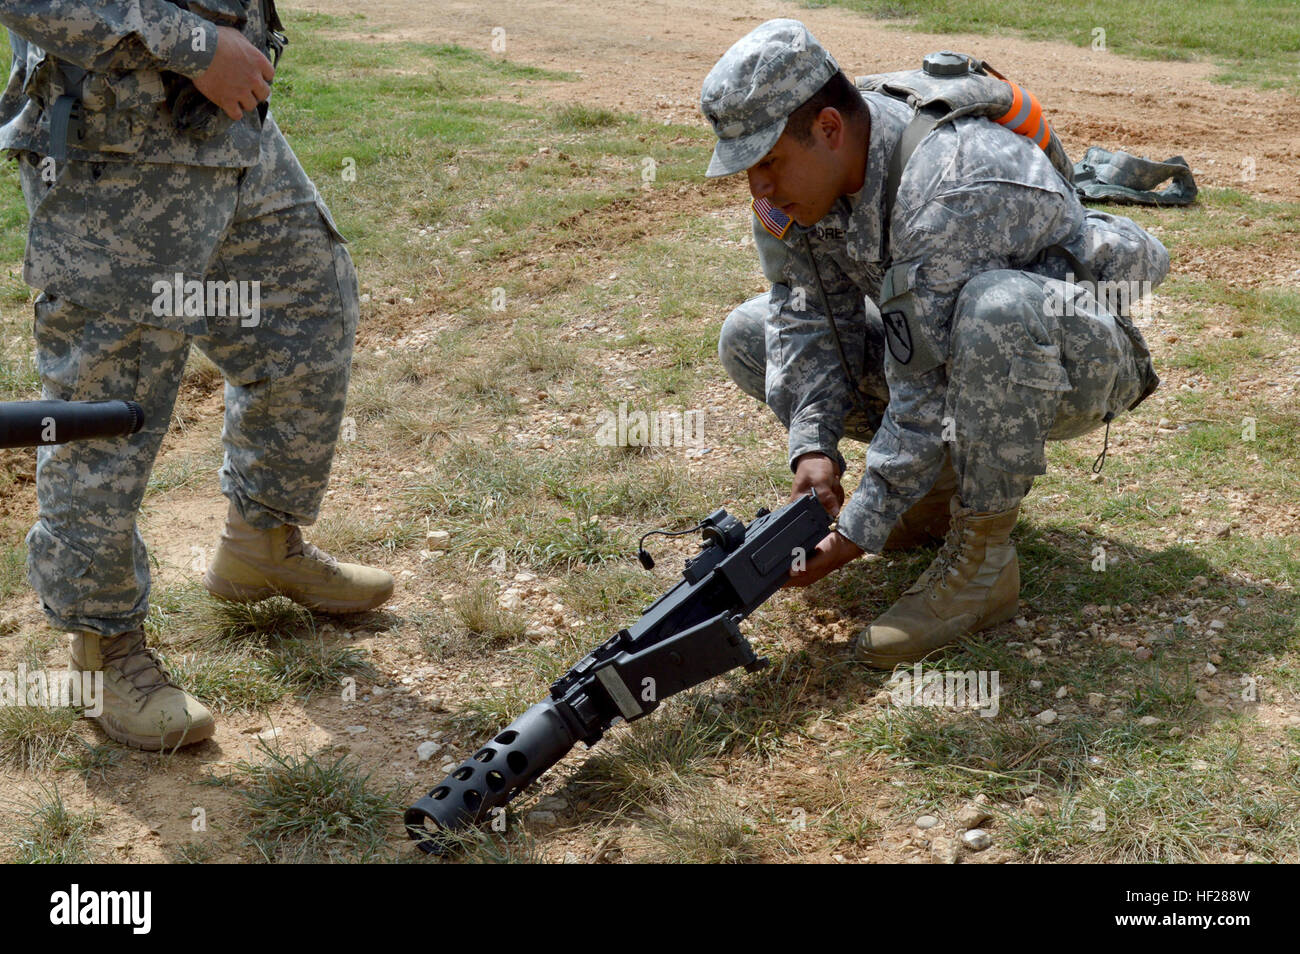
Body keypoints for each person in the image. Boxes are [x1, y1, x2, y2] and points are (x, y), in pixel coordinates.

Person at [702, 20, 1168, 668]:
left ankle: (983, 559)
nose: (759, 188)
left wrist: (856, 533)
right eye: (747, 170)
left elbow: (925, 392)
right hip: (946, 348)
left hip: (1073, 360)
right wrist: (812, 447)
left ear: (830, 129)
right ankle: (936, 495)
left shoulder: (945, 186)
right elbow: (805, 315)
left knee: (992, 310)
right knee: (750, 334)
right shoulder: (808, 182)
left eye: (768, 162)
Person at [0, 0, 394, 750]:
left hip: (229, 129)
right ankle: (102, 649)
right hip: (111, 146)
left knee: (306, 314)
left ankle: (261, 544)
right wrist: (194, 45)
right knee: (109, 409)